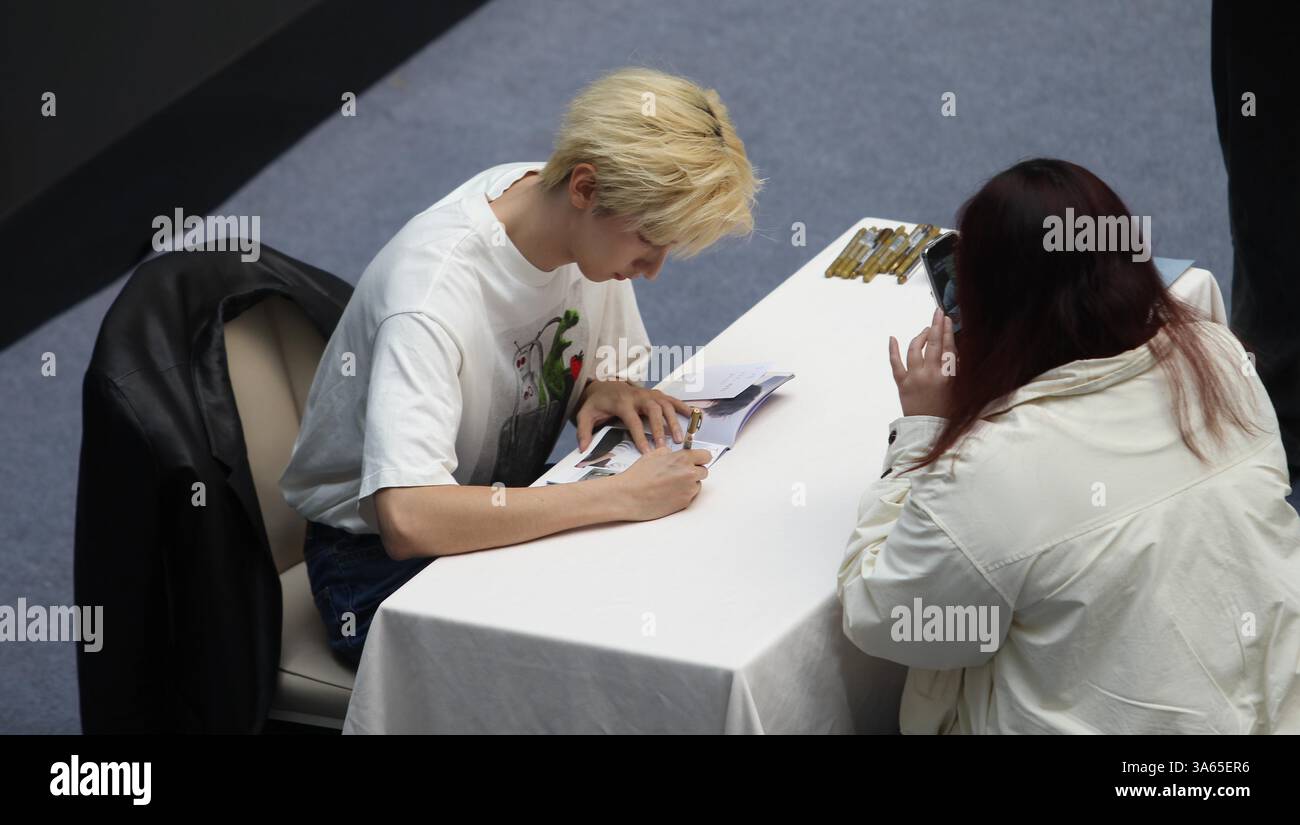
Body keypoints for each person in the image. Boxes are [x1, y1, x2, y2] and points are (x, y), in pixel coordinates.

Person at [280, 67, 761, 667]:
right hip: (374, 562)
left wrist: (601, 390)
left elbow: (568, 362)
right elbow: (407, 516)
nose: (653, 270)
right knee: (603, 657)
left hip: (496, 497)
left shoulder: (570, 222)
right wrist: (615, 496)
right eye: (648, 242)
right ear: (585, 189)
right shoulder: (429, 297)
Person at [837, 158, 1300, 734]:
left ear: (992, 306)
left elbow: (889, 619)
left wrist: (921, 438)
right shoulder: (1218, 355)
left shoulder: (990, 469)